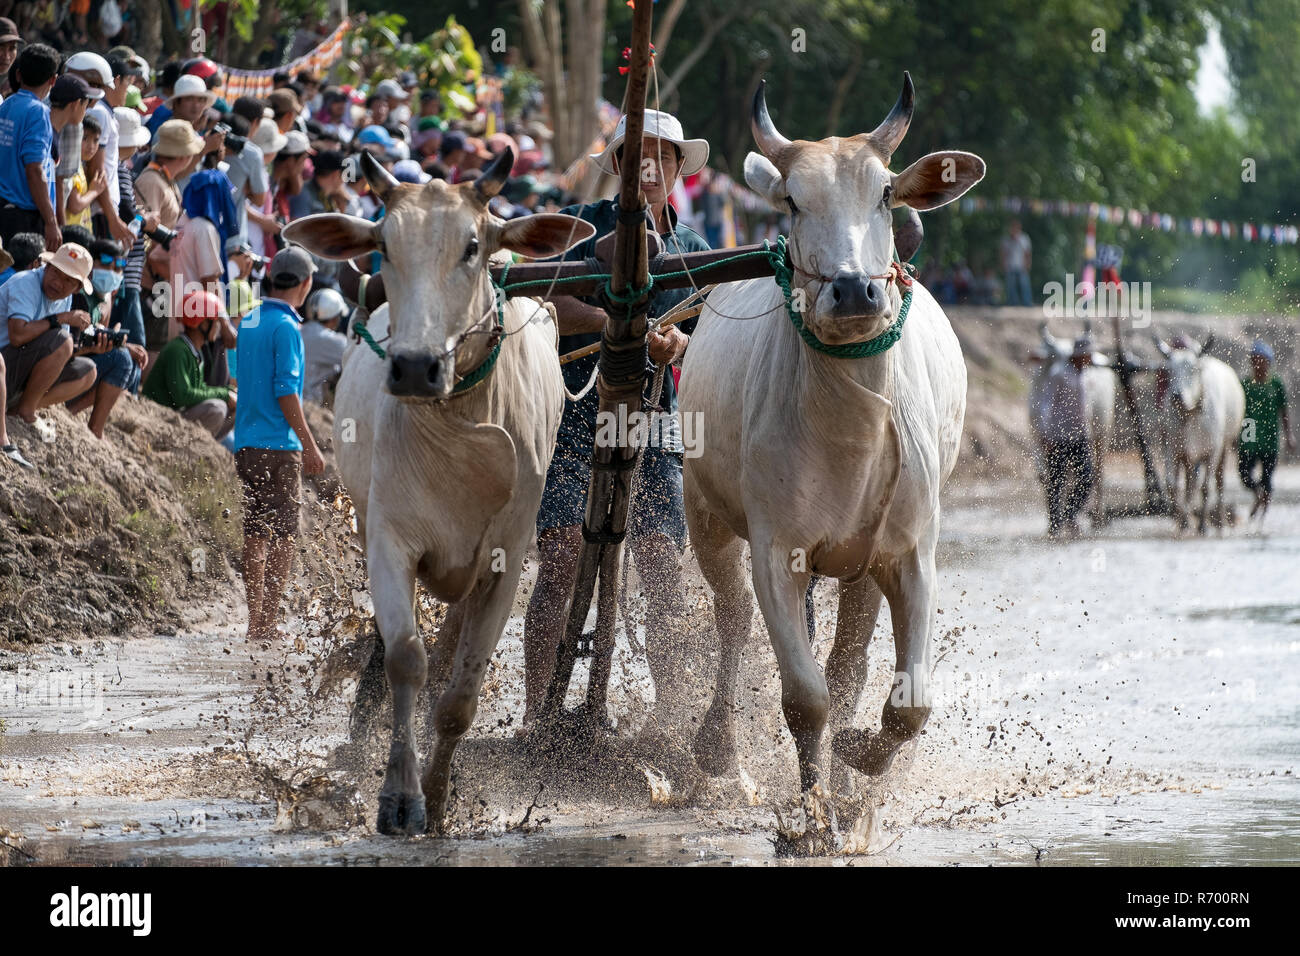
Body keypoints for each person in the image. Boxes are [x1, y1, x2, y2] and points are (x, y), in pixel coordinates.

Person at [524, 111, 710, 725]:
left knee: (663, 567)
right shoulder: (590, 232)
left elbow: (714, 332)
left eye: (663, 156)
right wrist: (613, 326)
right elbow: (549, 297)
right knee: (559, 558)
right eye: (637, 156)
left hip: (655, 425)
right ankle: (537, 714)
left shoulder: (696, 251)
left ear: (680, 168)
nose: (650, 167)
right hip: (580, 418)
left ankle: (673, 716)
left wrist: (676, 346)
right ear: (621, 168)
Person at [233, 245, 324, 643]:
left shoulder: (249, 319)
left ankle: (256, 621)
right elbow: (286, 390)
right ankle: (267, 624)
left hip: (247, 441)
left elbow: (240, 377)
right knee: (283, 534)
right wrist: (310, 445)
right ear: (305, 285)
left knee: (255, 530)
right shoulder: (288, 328)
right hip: (279, 445)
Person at [0, 242, 102, 427]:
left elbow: (59, 353)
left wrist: (90, 348)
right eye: (56, 272)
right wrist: (61, 318)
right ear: (47, 267)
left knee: (89, 372)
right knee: (62, 340)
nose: (57, 283)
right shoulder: (26, 282)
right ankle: (26, 410)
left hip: (17, 368)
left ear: (77, 288)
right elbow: (17, 336)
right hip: (3, 362)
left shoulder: (65, 297)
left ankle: (18, 407)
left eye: (68, 280)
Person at [64, 237, 144, 437]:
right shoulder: (79, 294)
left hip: (80, 361)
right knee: (122, 359)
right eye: (106, 266)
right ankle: (92, 427)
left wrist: (118, 341)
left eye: (118, 269)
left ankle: (74, 414)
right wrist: (95, 348)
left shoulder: (106, 297)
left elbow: (98, 334)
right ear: (91, 265)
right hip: (62, 363)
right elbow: (65, 345)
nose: (113, 274)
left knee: (127, 359)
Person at [142, 287, 235, 440]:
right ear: (202, 323)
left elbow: (197, 389)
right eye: (215, 322)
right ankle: (194, 448)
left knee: (235, 408)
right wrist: (224, 394)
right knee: (217, 408)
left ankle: (205, 448)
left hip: (176, 414)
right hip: (158, 419)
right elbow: (183, 395)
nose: (218, 327)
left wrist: (228, 391)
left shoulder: (194, 350)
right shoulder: (178, 350)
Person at [0, 42, 60, 250]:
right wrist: (51, 222)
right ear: (53, 80)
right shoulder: (38, 112)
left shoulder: (7, 104)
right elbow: (34, 169)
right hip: (22, 219)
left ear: (18, 75)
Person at [1038, 335, 1096, 536]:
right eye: (1087, 355)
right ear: (1080, 355)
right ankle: (1054, 524)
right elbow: (1046, 403)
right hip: (1058, 437)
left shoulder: (1086, 375)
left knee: (1087, 477)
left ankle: (1070, 514)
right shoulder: (1058, 373)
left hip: (1080, 436)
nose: (1089, 359)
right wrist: (1045, 433)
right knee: (1056, 481)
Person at [1239, 339, 1294, 518]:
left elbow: (1283, 410)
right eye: (1254, 360)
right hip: (1249, 433)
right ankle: (1258, 495)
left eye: (1261, 360)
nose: (1257, 364)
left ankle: (1263, 517)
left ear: (1268, 362)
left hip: (1270, 436)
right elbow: (1238, 410)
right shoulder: (1245, 384)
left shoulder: (1276, 384)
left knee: (1267, 478)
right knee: (1244, 474)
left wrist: (1289, 435)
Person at [50, 73, 99, 227]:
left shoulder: (45, 125)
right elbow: (58, 182)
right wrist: (59, 226)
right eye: (86, 105)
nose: (86, 110)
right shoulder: (53, 133)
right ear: (76, 104)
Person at [299, 286, 347, 405]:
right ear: (335, 317)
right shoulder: (333, 341)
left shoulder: (301, 331)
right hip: (311, 406)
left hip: (293, 401)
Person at [64, 112, 104, 229]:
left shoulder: (80, 165)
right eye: (85, 138)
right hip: (72, 234)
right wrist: (94, 191)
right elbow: (75, 206)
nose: (91, 146)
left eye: (95, 140)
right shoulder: (72, 167)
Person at [1001, 218, 1033, 307]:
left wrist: (1028, 264)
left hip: (1021, 265)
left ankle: (1027, 303)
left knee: (1024, 285)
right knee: (1010, 286)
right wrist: (1003, 264)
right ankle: (1012, 303)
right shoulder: (1006, 239)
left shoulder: (1024, 238)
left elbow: (1027, 253)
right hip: (1010, 265)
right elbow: (1003, 253)